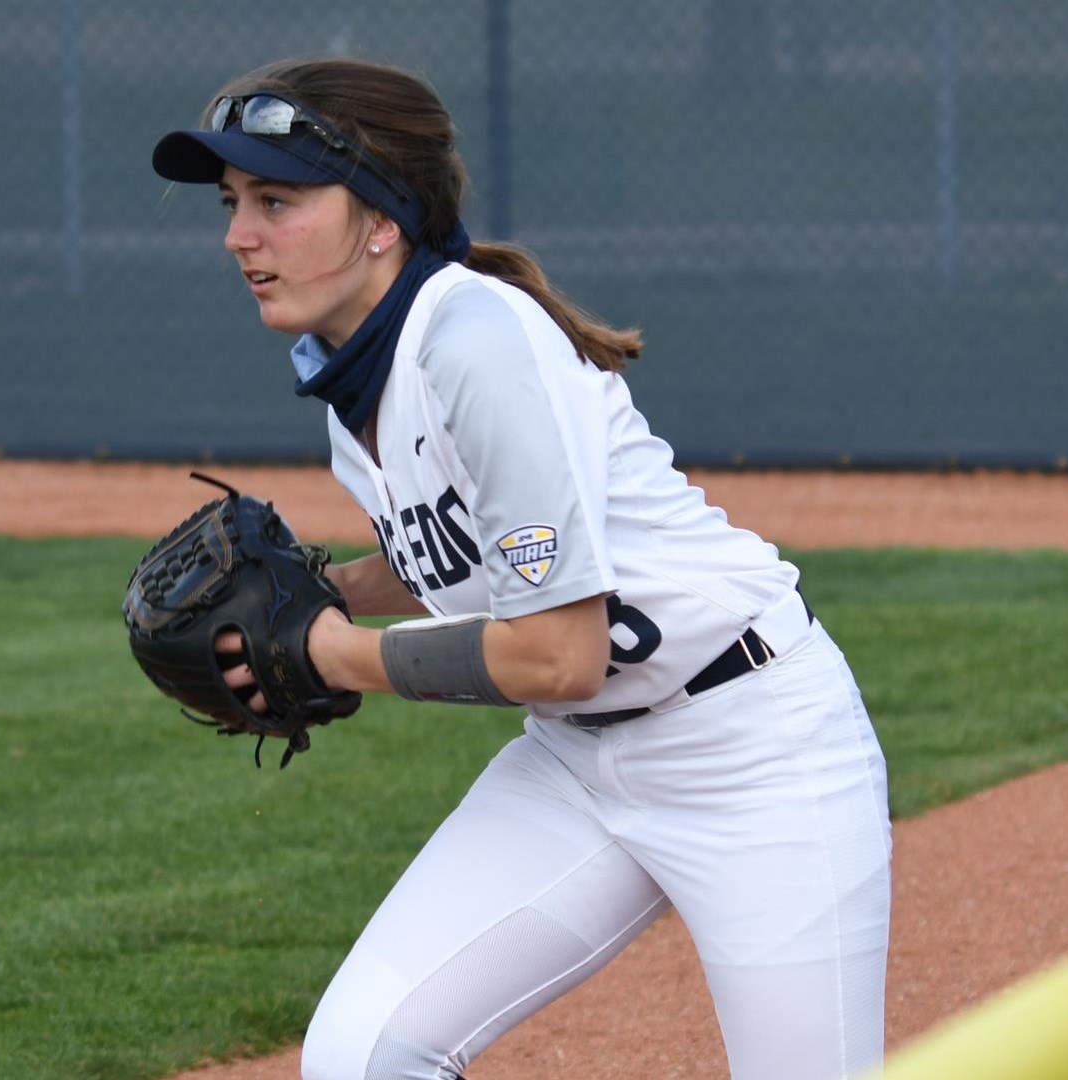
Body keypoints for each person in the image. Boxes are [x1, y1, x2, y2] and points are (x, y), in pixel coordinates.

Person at [149, 57, 892, 1080]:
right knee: (364, 1055)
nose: (239, 235)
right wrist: (325, 590)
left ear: (380, 219)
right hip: (577, 769)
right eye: (234, 203)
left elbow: (557, 653)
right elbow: (481, 559)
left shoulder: (474, 339)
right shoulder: (357, 374)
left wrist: (332, 651)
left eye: (275, 201)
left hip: (753, 751)